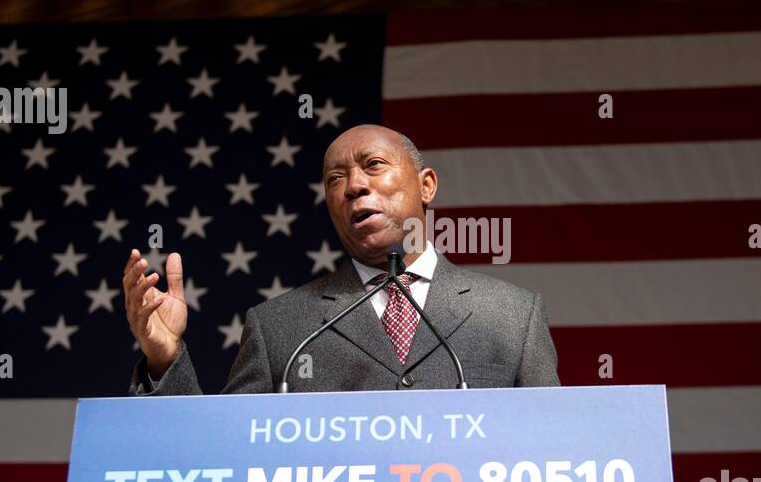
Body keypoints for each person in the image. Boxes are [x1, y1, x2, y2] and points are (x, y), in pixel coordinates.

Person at [123, 124, 559, 394]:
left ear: (426, 186)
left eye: (373, 165)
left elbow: (552, 445)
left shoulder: (511, 315)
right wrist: (165, 359)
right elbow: (223, 459)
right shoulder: (278, 327)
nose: (353, 186)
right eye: (336, 178)